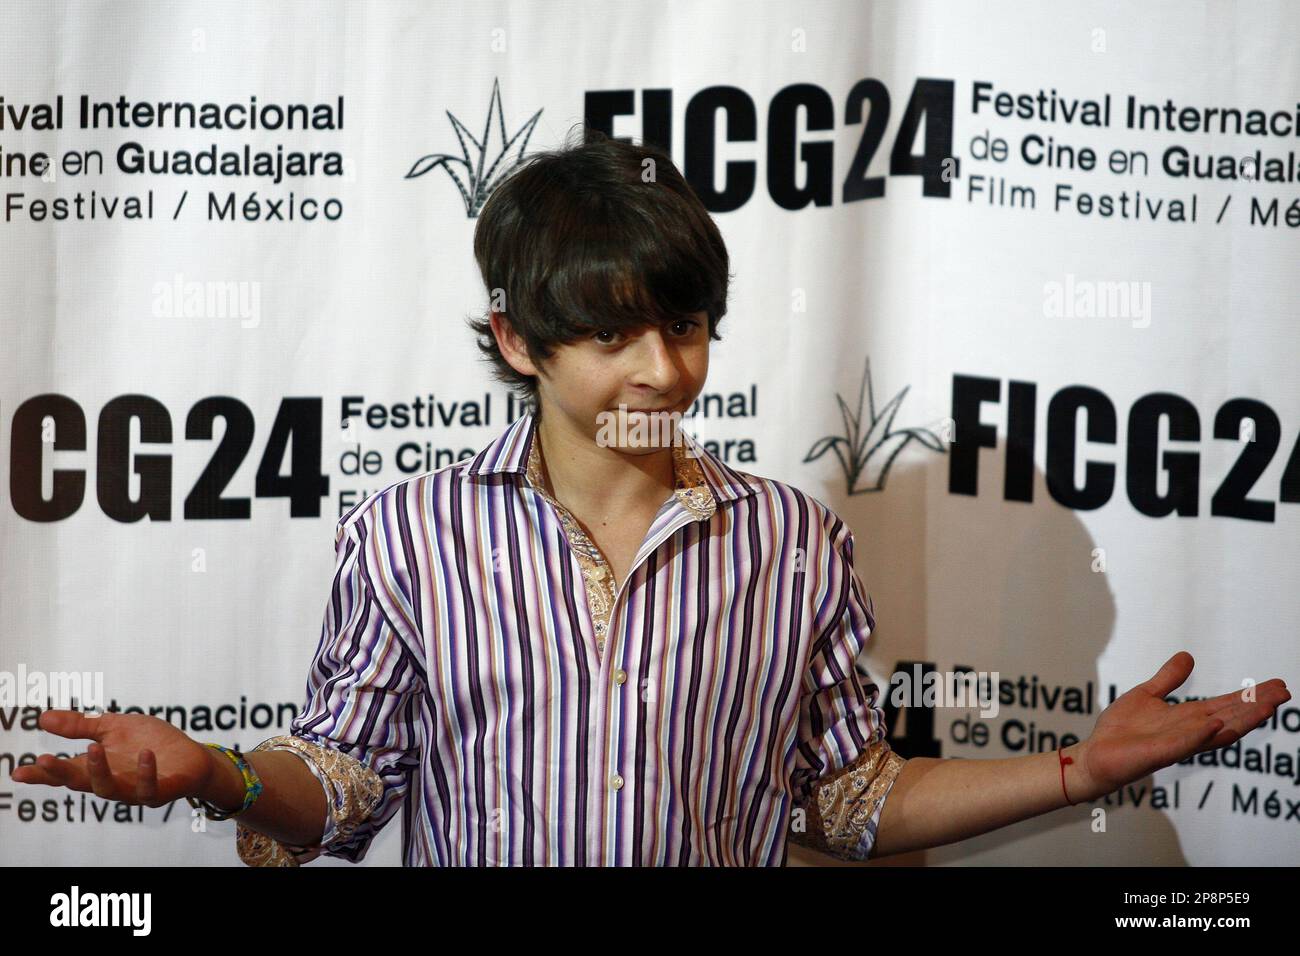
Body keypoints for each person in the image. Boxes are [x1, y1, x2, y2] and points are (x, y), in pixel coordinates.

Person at [12, 130, 1291, 866]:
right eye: (612, 334)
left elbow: (846, 797)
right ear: (517, 341)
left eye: (683, 326)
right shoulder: (409, 531)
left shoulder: (792, 538)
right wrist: (223, 774)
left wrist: (1074, 767)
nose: (661, 369)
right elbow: (348, 782)